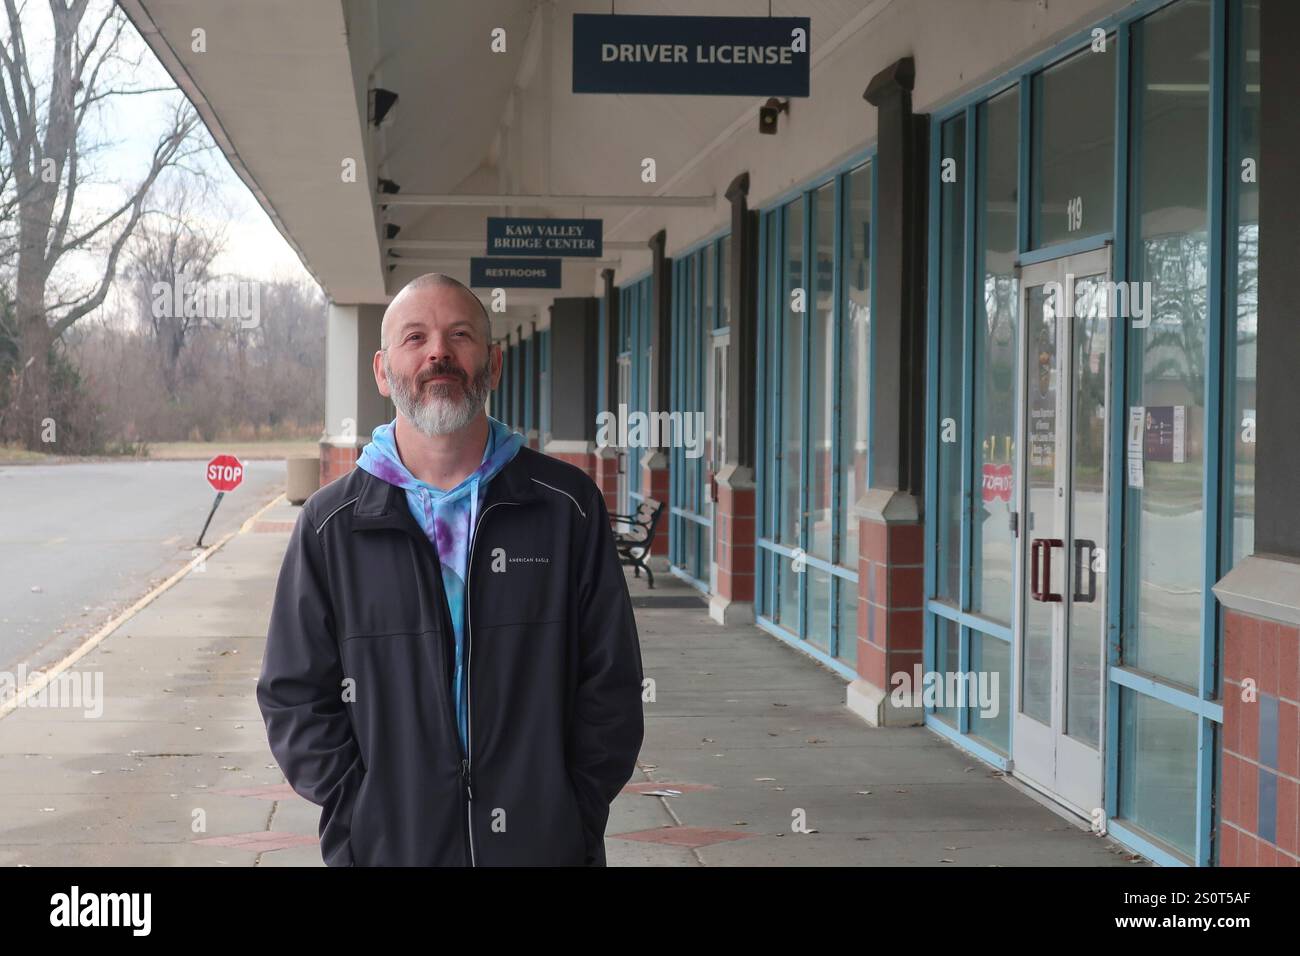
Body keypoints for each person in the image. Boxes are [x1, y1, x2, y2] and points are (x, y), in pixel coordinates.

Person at [256, 273, 645, 866]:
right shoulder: (330, 527)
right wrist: (359, 808)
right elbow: (294, 694)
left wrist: (573, 806)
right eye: (416, 337)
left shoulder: (565, 507)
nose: (438, 351)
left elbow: (611, 683)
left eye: (459, 334)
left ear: (492, 365)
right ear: (384, 372)